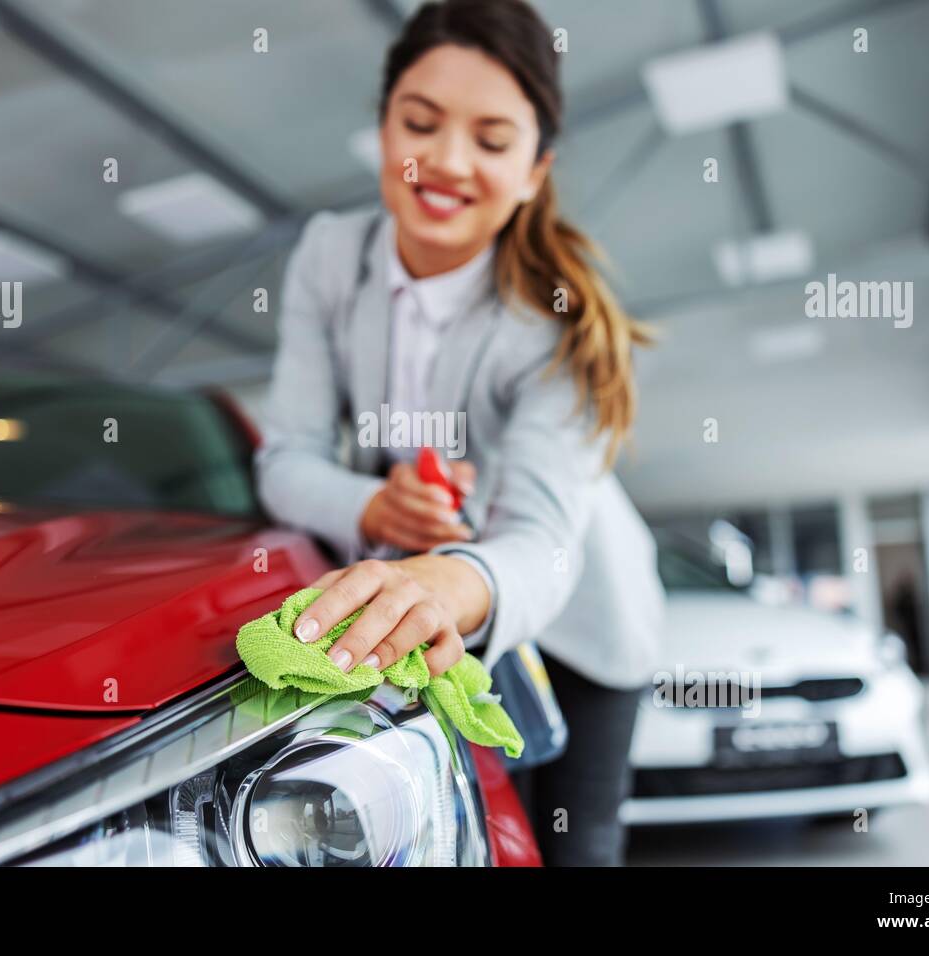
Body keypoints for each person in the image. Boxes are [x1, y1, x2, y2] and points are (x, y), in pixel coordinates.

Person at [254, 0, 664, 866]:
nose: (444, 161)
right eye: (420, 123)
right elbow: (284, 457)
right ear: (383, 127)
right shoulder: (331, 256)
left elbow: (547, 545)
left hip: (579, 626)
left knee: (573, 848)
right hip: (427, 610)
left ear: (533, 171)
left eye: (491, 138)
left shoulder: (558, 321)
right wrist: (375, 507)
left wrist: (446, 578)